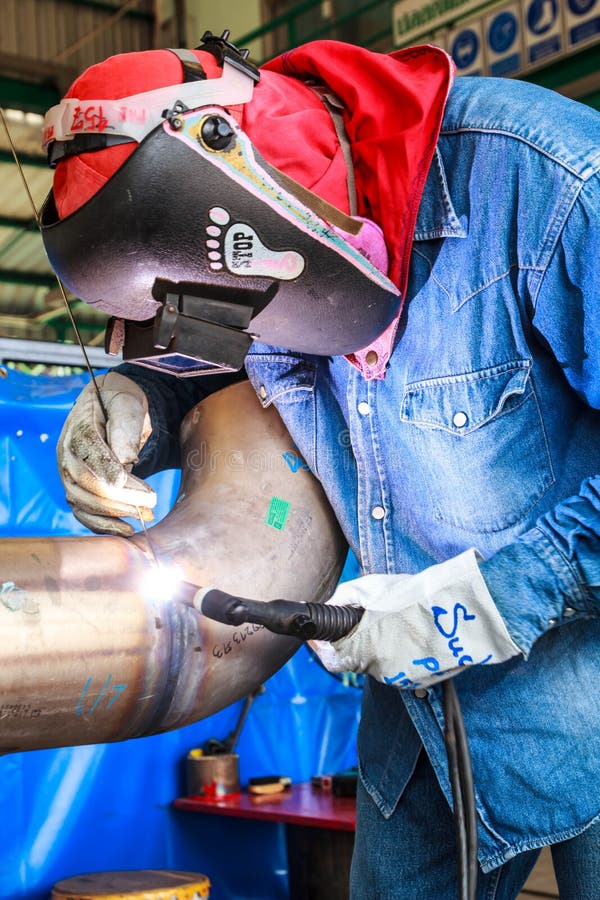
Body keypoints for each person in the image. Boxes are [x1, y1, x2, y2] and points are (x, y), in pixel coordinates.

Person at [40, 30, 599, 899]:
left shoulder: (549, 182)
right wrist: (143, 403)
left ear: (255, 193)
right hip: (419, 725)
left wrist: (485, 604)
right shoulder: (256, 247)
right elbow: (224, 362)